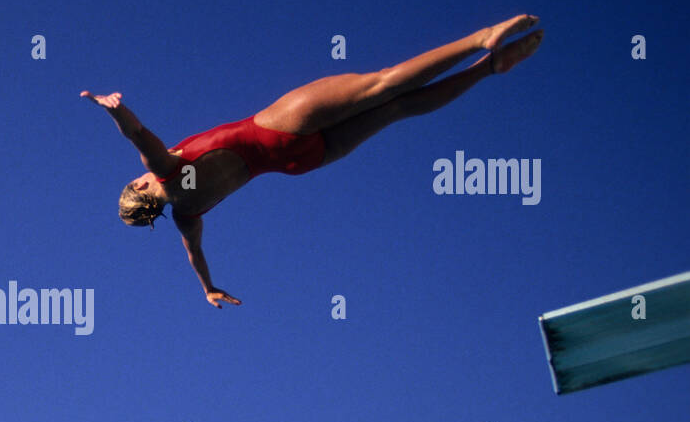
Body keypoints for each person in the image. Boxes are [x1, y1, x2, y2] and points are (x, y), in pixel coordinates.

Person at [83, 15, 544, 308]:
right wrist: (115, 109)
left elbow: (195, 256)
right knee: (382, 85)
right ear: (141, 188)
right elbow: (140, 136)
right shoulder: (166, 171)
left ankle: (486, 69)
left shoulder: (187, 215)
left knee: (399, 110)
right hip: (279, 126)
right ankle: (480, 40)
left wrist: (207, 288)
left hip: (301, 162)